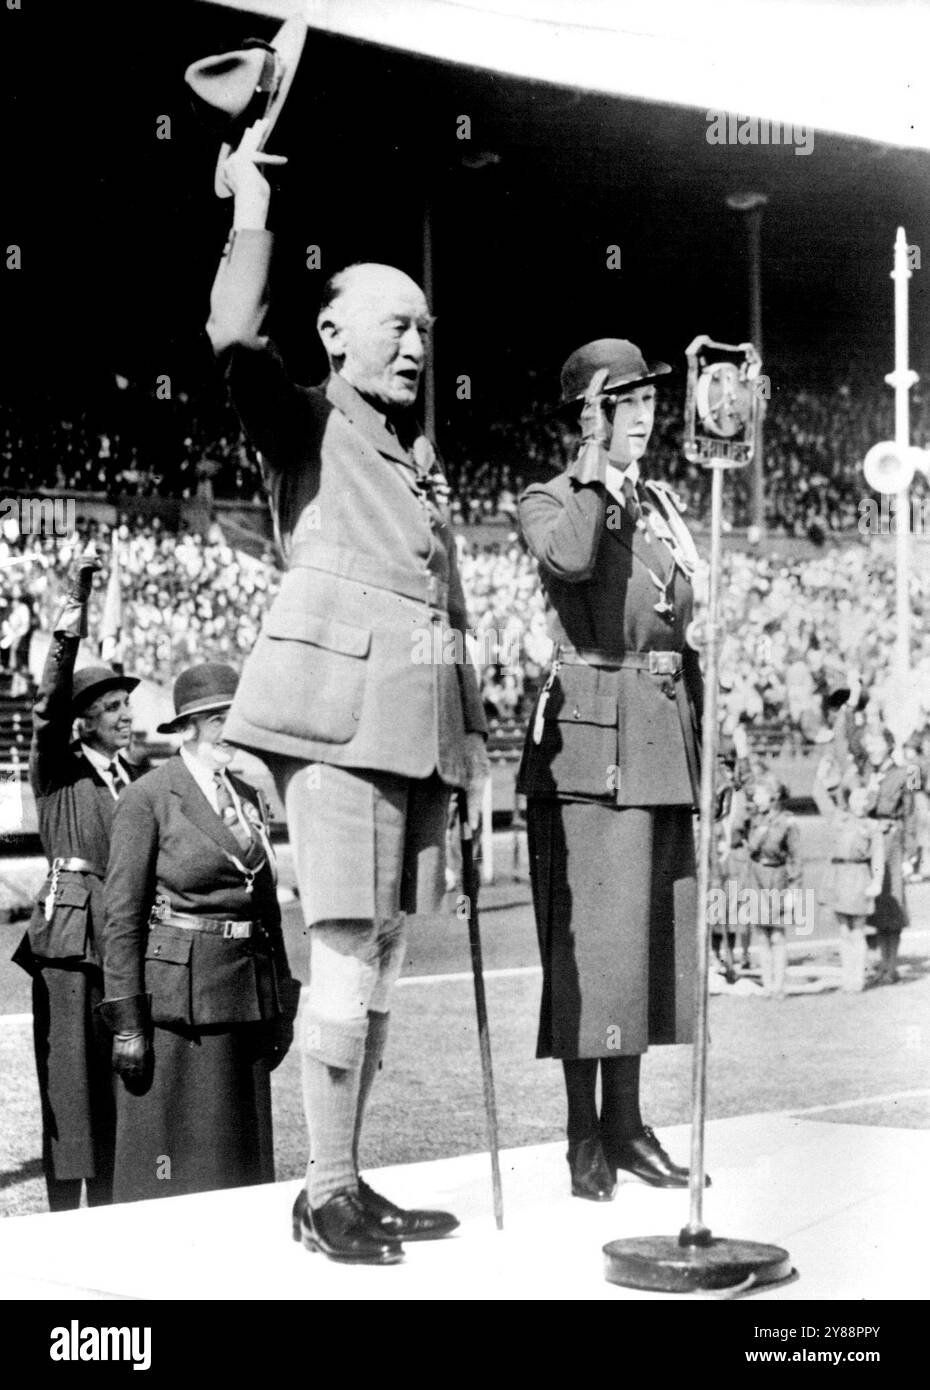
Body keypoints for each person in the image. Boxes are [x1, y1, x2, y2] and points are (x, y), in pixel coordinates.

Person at [206, 122, 490, 1264]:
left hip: (415, 738)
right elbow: (231, 335)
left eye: (426, 327)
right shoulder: (308, 427)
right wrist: (249, 216)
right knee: (343, 960)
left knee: (378, 962)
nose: (418, 342)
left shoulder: (417, 464)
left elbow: (450, 621)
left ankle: (346, 1176)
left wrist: (468, 751)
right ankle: (322, 1191)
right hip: (338, 729)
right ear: (334, 333)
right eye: (397, 323)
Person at [517, 338, 706, 1201]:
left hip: (661, 738)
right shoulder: (553, 496)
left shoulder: (662, 503)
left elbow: (678, 626)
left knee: (642, 945)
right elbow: (572, 560)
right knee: (585, 948)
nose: (646, 414)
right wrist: (595, 461)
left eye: (648, 401)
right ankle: (582, 1134)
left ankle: (628, 1124)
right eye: (624, 402)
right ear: (589, 415)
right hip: (592, 748)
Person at [97, 663, 300, 1203]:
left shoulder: (248, 795)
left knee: (241, 1163)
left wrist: (284, 996)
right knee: (176, 1164)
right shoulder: (150, 797)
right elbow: (120, 917)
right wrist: (126, 1021)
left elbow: (267, 905)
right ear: (186, 729)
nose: (229, 732)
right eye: (217, 720)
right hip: (181, 1007)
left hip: (248, 996)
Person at [12, 547, 141, 1211]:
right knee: (69, 1085)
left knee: (118, 1083)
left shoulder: (138, 782)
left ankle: (113, 1208)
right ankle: (66, 1214)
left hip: (121, 942)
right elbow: (49, 703)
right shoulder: (57, 770)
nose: (125, 715)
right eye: (113, 707)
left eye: (127, 705)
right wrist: (78, 601)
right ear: (84, 720)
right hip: (67, 942)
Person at [813, 774, 884, 993]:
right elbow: (819, 796)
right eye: (855, 799)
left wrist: (877, 882)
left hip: (859, 876)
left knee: (858, 930)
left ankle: (857, 979)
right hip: (839, 877)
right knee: (844, 930)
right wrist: (822, 774)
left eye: (864, 799)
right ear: (848, 800)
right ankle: (847, 977)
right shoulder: (839, 818)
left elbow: (878, 858)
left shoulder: (872, 826)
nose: (860, 804)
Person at [860, 726, 914, 984]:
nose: (871, 748)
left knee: (894, 901)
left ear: (889, 745)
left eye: (876, 742)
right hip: (872, 841)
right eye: (867, 743)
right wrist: (871, 788)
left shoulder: (907, 772)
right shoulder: (867, 773)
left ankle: (891, 965)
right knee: (879, 906)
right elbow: (864, 806)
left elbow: (915, 813)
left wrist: (912, 853)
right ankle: (883, 963)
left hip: (894, 842)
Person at [746, 774, 801, 1000]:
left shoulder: (788, 822)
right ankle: (768, 985)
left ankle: (779, 986)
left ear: (773, 796)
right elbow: (750, 848)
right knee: (761, 935)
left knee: (777, 935)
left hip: (778, 877)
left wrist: (794, 890)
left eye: (760, 794)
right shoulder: (755, 819)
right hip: (757, 876)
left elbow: (796, 858)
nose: (755, 798)